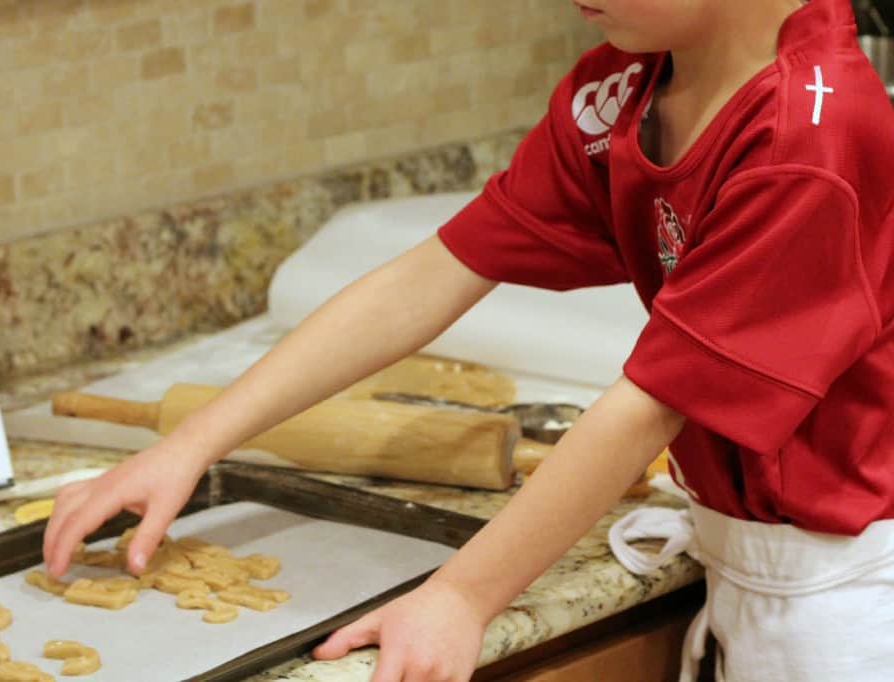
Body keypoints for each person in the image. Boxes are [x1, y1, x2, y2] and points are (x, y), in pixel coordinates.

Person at [43, 0, 894, 679]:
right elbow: (438, 271)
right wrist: (192, 442)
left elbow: (648, 407)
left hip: (847, 598)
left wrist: (462, 596)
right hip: (745, 556)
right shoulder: (627, 88)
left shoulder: (809, 138)